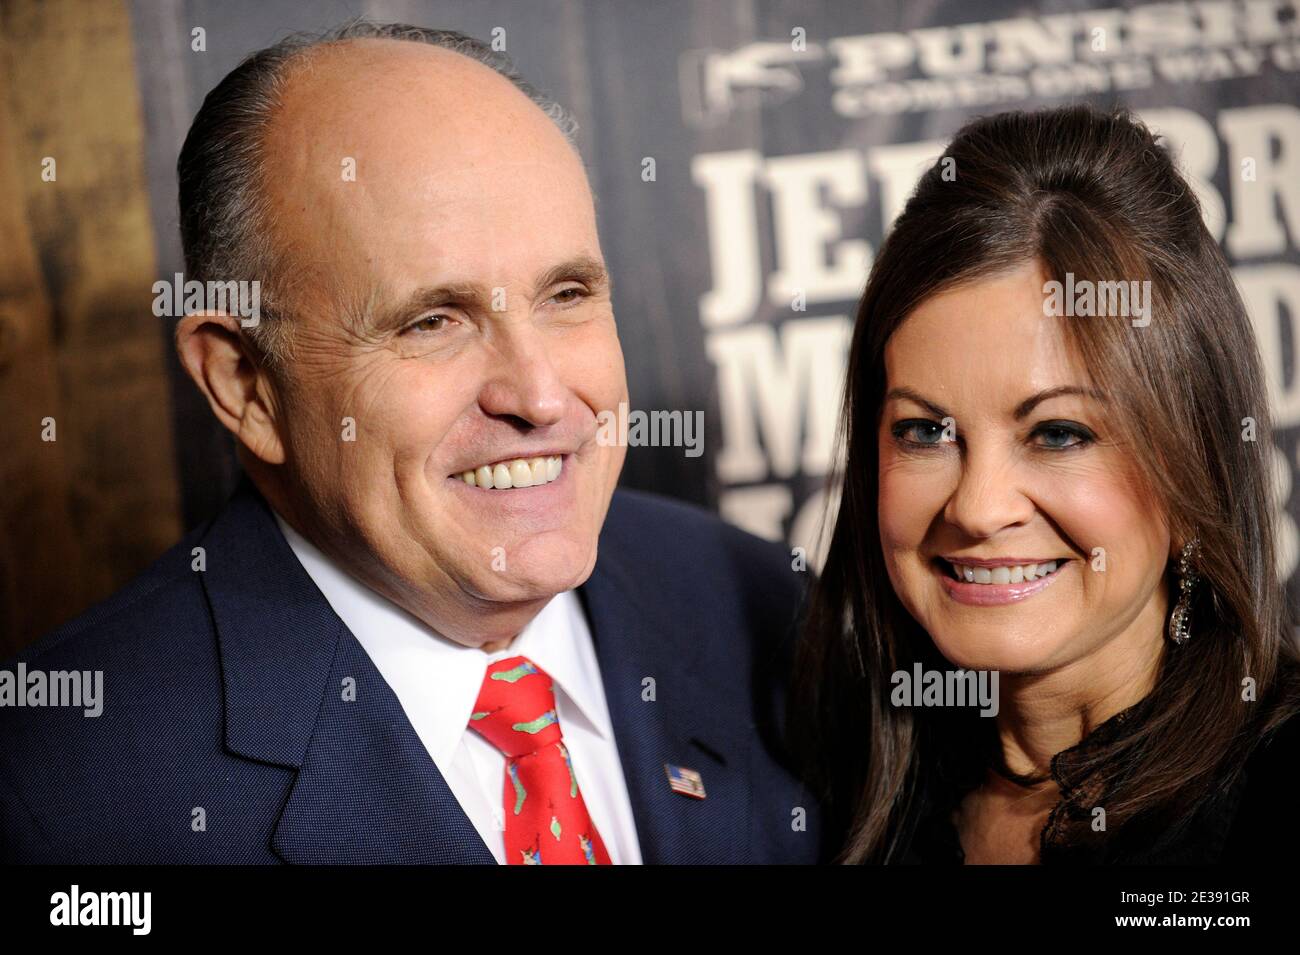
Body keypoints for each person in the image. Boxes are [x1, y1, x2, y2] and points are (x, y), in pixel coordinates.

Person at [0, 21, 820, 865]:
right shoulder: (63, 801)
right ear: (245, 384)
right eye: (433, 321)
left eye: (566, 293)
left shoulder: (768, 610)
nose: (539, 395)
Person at [790, 103, 1300, 865]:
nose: (979, 507)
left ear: (1195, 464)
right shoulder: (826, 791)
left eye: (1059, 433)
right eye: (925, 431)